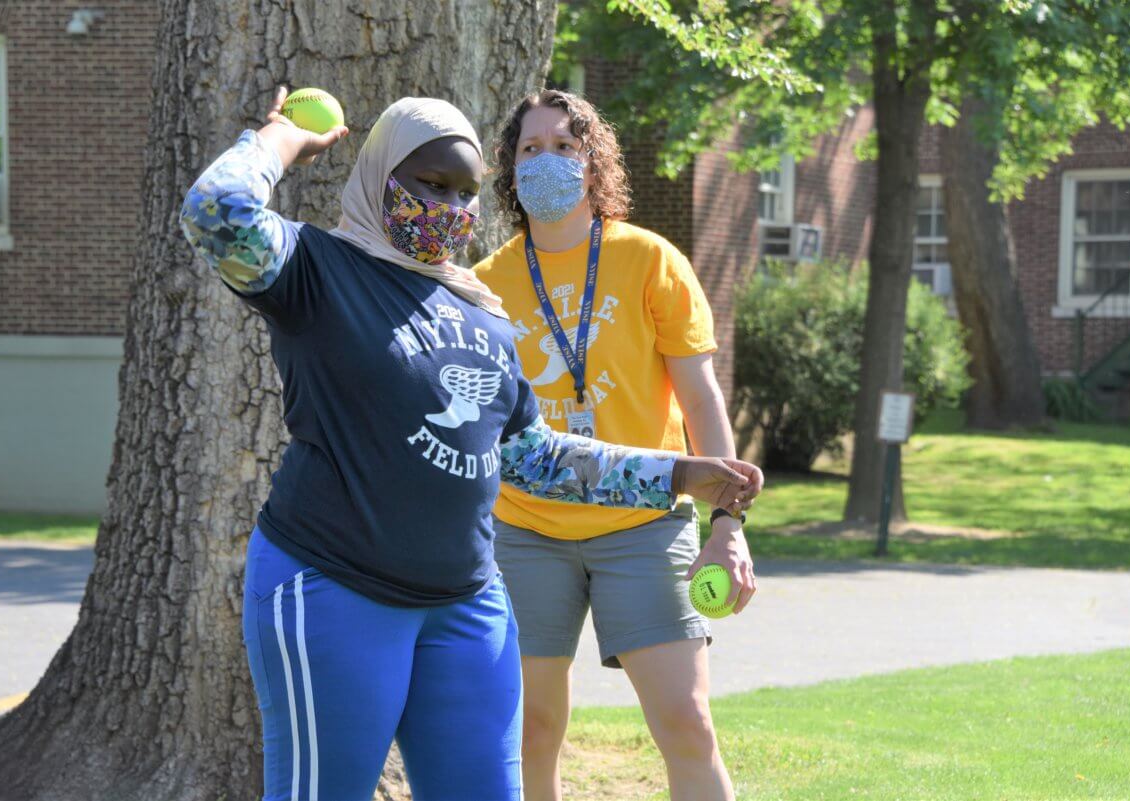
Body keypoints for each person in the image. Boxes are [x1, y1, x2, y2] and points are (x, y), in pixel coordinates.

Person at [180, 87, 762, 801]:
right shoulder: (316, 270)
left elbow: (538, 458)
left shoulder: (481, 309)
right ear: (381, 175)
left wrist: (678, 474)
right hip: (334, 586)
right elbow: (216, 212)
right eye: (429, 183)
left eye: (464, 191)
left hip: (465, 607)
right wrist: (281, 138)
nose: (449, 207)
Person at [475, 89, 758, 801]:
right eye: (529, 149)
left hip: (643, 527)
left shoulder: (651, 261)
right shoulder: (483, 287)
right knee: (530, 730)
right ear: (509, 172)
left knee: (688, 722)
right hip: (528, 529)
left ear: (594, 162)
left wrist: (727, 525)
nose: (547, 161)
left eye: (565, 146)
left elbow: (700, 399)